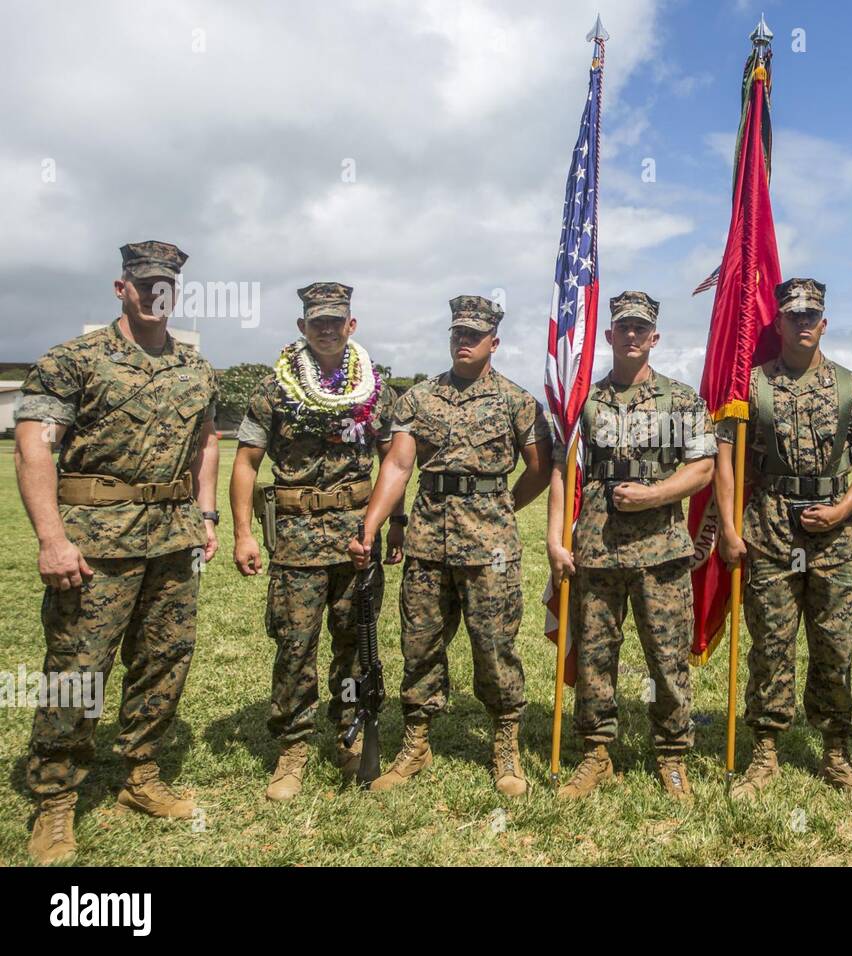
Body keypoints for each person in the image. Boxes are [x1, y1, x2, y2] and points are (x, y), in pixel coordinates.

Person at [15, 240, 220, 863]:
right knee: (78, 671)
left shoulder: (195, 368)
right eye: (144, 283)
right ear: (121, 288)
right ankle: (55, 802)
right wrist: (52, 538)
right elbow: (34, 449)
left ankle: (141, 776)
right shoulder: (71, 361)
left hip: (173, 539)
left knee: (165, 661)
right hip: (93, 544)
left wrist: (206, 514)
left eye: (167, 285)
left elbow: (206, 442)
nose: (156, 294)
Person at [350, 295, 551, 796]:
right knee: (419, 645)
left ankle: (505, 744)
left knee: (495, 647)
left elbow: (539, 469)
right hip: (427, 543)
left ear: (493, 343)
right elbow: (397, 467)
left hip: (491, 551)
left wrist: (502, 506)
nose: (464, 341)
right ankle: (416, 742)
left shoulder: (517, 401)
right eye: (457, 333)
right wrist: (373, 524)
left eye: (474, 335)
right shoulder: (418, 398)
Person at [715, 277, 852, 802]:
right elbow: (725, 457)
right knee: (770, 646)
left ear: (825, 322)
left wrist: (842, 508)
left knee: (834, 648)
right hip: (768, 529)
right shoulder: (750, 385)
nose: (804, 323)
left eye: (812, 315)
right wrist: (727, 526)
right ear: (779, 322)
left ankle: (836, 751)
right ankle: (765, 750)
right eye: (794, 315)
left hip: (834, 537)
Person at [230, 282, 401, 800]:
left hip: (356, 536)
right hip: (297, 540)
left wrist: (392, 523)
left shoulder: (375, 387)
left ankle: (349, 732)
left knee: (355, 644)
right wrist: (242, 534)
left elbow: (395, 461)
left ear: (352, 325)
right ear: (302, 327)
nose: (326, 328)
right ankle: (293, 747)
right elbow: (245, 463)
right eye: (316, 321)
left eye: (336, 320)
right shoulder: (274, 388)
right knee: (295, 644)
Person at [547, 291, 715, 801]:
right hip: (596, 549)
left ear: (655, 337)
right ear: (609, 335)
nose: (633, 335)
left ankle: (671, 755)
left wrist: (655, 495)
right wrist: (554, 540)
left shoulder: (681, 399)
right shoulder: (585, 402)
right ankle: (596, 754)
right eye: (624, 327)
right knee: (596, 657)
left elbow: (703, 466)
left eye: (642, 328)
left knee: (666, 658)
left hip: (662, 551)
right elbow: (560, 470)